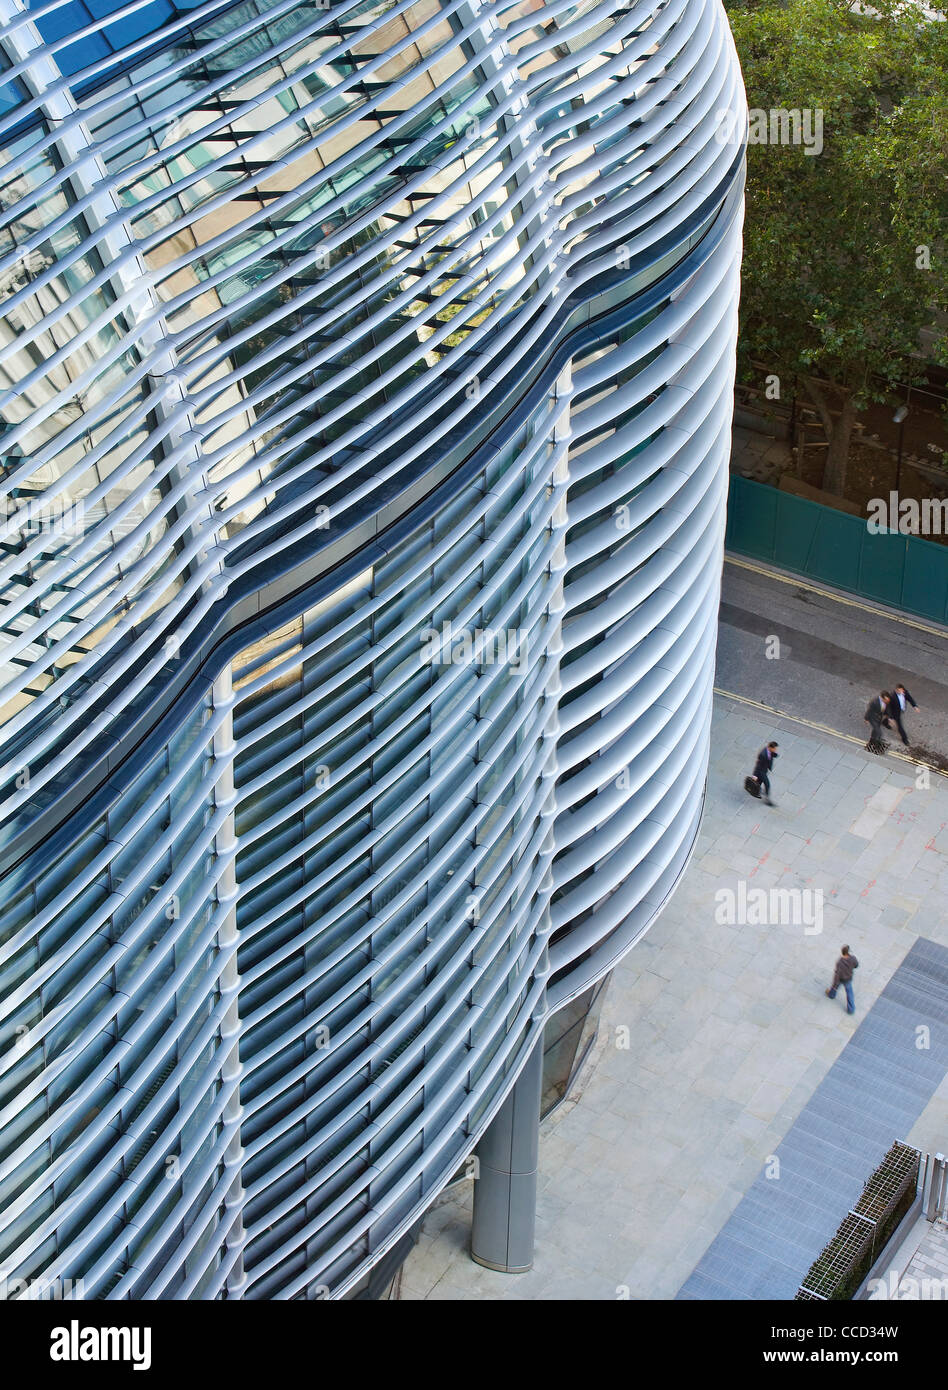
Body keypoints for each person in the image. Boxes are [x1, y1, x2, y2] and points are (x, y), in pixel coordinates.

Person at [825, 945, 859, 1014]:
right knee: (849, 993)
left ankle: (831, 995)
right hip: (848, 978)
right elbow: (856, 965)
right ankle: (851, 1009)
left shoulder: (840, 962)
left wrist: (835, 984)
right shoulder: (853, 958)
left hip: (841, 978)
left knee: (835, 987)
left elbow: (837, 975)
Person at [745, 740, 778, 805]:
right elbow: (758, 765)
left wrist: (774, 755)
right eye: (775, 749)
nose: (775, 750)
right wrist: (754, 775)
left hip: (764, 770)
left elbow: (770, 757)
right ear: (770, 748)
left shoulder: (769, 751)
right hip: (761, 772)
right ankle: (767, 799)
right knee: (767, 784)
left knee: (758, 783)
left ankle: (755, 792)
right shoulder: (763, 755)